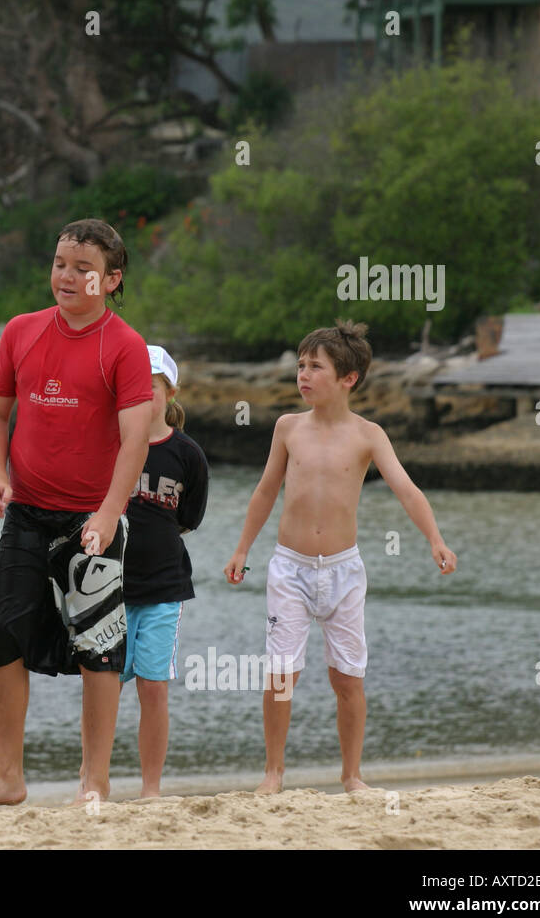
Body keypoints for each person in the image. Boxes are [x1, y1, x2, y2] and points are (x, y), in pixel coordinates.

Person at [0, 219, 152, 812]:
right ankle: (7, 776)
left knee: (98, 647)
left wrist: (111, 513)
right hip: (27, 515)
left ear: (112, 280)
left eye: (83, 268)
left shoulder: (125, 346)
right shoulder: (22, 331)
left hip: (93, 518)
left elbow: (136, 440)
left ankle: (94, 781)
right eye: (61, 262)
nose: (67, 276)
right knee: (4, 635)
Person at [222, 320, 457, 794]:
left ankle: (351, 775)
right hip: (289, 567)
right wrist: (242, 547)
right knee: (281, 672)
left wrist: (435, 538)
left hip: (344, 571)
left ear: (348, 378)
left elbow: (407, 491)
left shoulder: (369, 435)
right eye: (301, 366)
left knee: (347, 677)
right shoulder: (288, 428)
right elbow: (266, 491)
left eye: (316, 367)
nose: (303, 375)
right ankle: (274, 773)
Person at [119, 346, 208, 798]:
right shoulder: (110, 441)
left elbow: (188, 519)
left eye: (150, 387)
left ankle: (150, 788)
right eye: (133, 386)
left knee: (153, 688)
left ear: (169, 392)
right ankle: (91, 780)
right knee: (102, 688)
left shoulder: (187, 454)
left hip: (162, 589)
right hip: (107, 590)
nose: (141, 394)